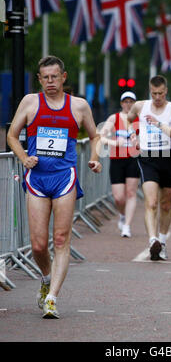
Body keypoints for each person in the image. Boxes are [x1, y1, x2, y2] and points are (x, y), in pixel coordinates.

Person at [7, 55, 102, 319]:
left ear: (64, 77)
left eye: (54, 76)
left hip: (64, 178)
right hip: (37, 178)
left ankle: (52, 298)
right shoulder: (30, 102)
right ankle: (46, 277)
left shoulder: (79, 106)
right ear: (39, 79)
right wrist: (24, 157)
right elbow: (12, 135)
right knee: (38, 245)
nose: (50, 81)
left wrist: (94, 158)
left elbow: (95, 136)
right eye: (45, 77)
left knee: (60, 239)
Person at [127, 75, 171, 261]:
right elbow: (128, 119)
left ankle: (163, 241)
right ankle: (153, 241)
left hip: (168, 157)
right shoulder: (140, 106)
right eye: (154, 93)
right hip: (148, 157)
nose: (157, 97)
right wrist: (133, 135)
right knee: (151, 202)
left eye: (160, 93)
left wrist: (158, 124)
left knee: (166, 205)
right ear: (149, 91)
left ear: (166, 91)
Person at [99, 91, 140, 238]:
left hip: (133, 159)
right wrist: (114, 142)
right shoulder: (114, 118)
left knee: (131, 192)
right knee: (118, 197)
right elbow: (101, 137)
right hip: (117, 159)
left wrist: (141, 143)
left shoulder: (139, 119)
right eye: (126, 101)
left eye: (131, 102)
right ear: (122, 103)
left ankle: (127, 226)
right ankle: (122, 215)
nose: (128, 104)